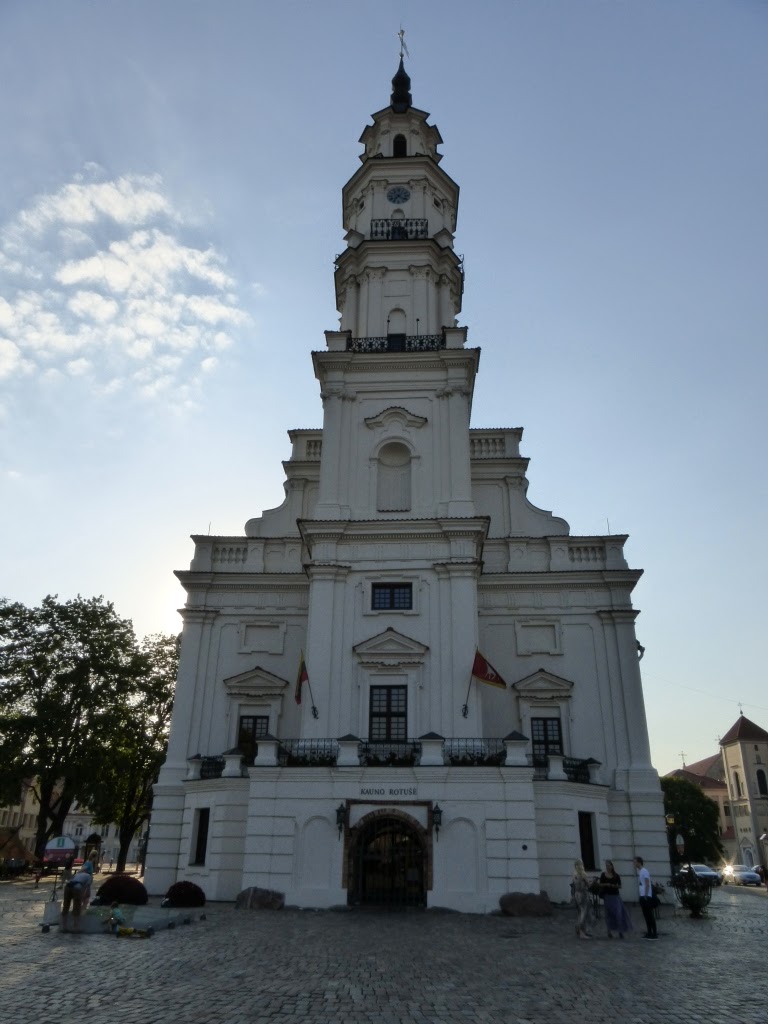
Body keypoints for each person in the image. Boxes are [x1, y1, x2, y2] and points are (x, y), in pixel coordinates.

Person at [599, 860, 632, 939]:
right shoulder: (603, 875)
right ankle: (609, 931)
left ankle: (620, 931)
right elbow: (600, 884)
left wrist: (614, 886)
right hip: (607, 896)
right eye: (606, 866)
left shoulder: (616, 876)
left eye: (609, 865)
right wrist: (606, 884)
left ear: (612, 866)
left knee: (618, 913)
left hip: (615, 896)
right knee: (608, 914)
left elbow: (620, 886)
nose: (607, 867)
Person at [634, 855, 657, 939]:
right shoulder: (640, 872)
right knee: (646, 915)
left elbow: (647, 883)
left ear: (639, 862)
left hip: (646, 896)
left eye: (635, 862)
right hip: (643, 895)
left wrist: (646, 895)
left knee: (649, 915)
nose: (634, 864)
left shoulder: (644, 871)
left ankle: (654, 934)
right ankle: (649, 932)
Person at [571, 859, 593, 939]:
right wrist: (592, 882)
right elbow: (588, 885)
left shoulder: (574, 874)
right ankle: (581, 932)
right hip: (583, 894)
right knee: (584, 913)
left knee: (580, 912)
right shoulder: (583, 873)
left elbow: (574, 885)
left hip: (577, 894)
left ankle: (580, 930)